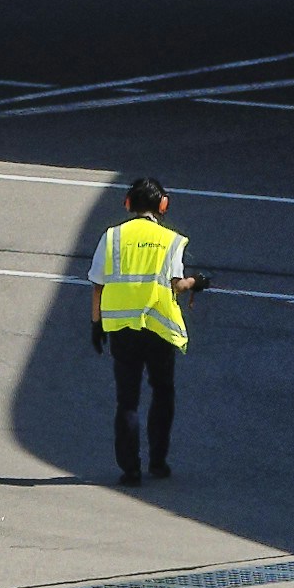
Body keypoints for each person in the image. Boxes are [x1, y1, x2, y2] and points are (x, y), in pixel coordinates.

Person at [92, 174, 199, 482]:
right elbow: (177, 285)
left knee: (127, 400)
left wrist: (95, 324)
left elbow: (97, 285)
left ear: (128, 204)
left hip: (122, 329)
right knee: (163, 392)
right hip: (158, 329)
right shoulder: (171, 240)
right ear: (162, 205)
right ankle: (158, 462)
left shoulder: (112, 237)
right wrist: (197, 283)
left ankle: (129, 470)